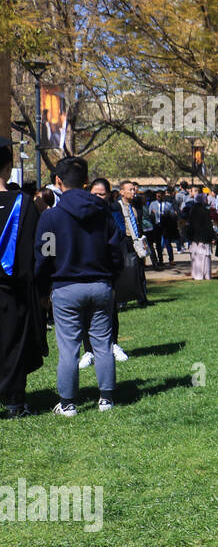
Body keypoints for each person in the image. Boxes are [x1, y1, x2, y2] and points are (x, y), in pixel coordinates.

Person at [33, 156, 123, 417]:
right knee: (103, 344)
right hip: (101, 285)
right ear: (86, 181)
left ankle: (69, 403)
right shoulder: (103, 211)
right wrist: (112, 278)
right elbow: (115, 247)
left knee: (69, 348)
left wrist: (43, 288)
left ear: (58, 181)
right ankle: (106, 399)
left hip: (66, 288)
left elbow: (45, 255)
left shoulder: (51, 218)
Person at [0, 139, 47, 419]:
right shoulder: (24, 203)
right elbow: (39, 247)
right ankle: (15, 401)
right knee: (13, 342)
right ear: (8, 168)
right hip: (13, 289)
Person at [78, 179, 130, 368]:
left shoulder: (113, 211)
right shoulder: (81, 212)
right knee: (86, 311)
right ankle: (88, 351)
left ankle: (113, 344)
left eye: (102, 194)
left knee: (110, 309)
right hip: (85, 267)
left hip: (107, 268)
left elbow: (121, 234)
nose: (99, 197)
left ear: (109, 194)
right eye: (95, 193)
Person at [111, 180, 149, 309]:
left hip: (137, 241)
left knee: (139, 269)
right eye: (130, 189)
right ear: (122, 192)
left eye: (134, 189)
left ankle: (142, 298)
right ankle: (122, 299)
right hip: (124, 241)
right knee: (125, 270)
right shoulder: (116, 206)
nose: (134, 192)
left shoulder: (136, 206)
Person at [182, 184, 216, 281]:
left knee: (196, 258)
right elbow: (208, 226)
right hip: (204, 238)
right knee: (205, 258)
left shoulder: (192, 210)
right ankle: (205, 275)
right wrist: (213, 236)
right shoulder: (204, 211)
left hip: (195, 238)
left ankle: (197, 275)